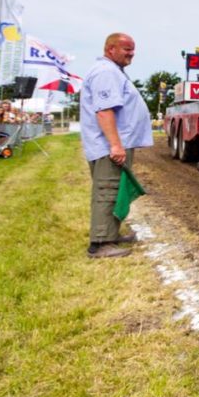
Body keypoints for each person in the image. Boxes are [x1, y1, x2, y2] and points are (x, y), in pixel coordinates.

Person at [80, 33, 153, 259]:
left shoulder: (113, 71)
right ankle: (100, 243)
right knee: (107, 191)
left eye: (133, 49)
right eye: (126, 49)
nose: (131, 53)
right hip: (107, 146)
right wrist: (115, 145)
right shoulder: (105, 72)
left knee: (115, 190)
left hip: (113, 144)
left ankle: (111, 234)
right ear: (110, 49)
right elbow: (104, 111)